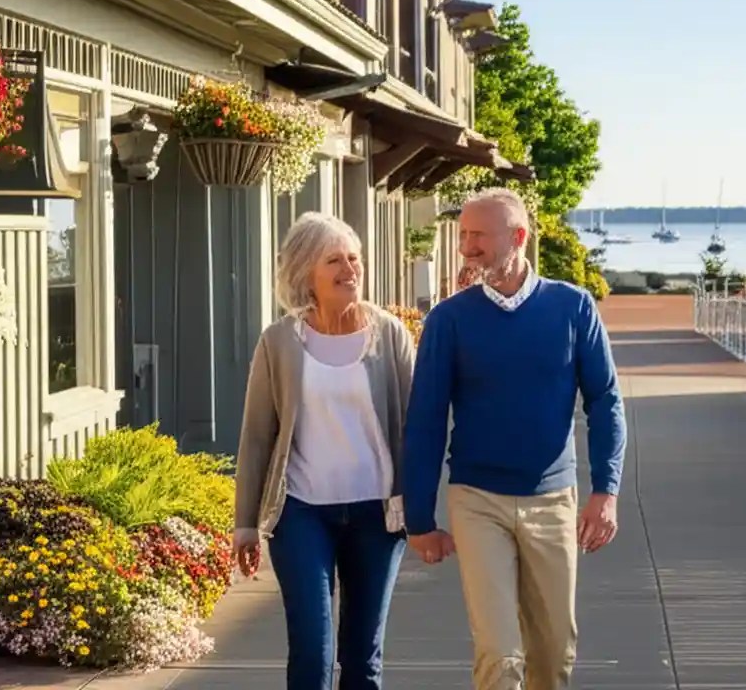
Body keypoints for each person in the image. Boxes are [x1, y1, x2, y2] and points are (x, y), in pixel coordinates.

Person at [402, 187, 627, 690]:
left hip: (553, 501)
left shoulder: (572, 308)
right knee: (500, 655)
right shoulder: (449, 320)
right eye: (463, 235)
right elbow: (425, 420)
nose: (466, 247)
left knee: (553, 652)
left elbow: (606, 401)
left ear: (518, 237)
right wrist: (419, 518)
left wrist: (605, 491)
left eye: (478, 235)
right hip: (477, 500)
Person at [233, 212, 416, 690]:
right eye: (334, 260)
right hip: (301, 513)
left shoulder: (390, 333)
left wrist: (424, 510)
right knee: (312, 653)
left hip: (377, 515)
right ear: (305, 273)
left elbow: (418, 424)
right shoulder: (279, 342)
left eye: (353, 258)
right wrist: (246, 524)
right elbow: (256, 436)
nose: (349, 269)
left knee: (362, 658)